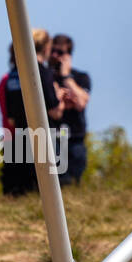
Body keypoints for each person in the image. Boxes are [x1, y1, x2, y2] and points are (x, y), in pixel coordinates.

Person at [0, 30, 64, 196]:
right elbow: (54, 111)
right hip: (43, 137)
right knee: (49, 192)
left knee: (21, 191)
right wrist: (59, 97)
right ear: (45, 48)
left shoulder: (14, 75)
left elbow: (11, 118)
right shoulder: (42, 72)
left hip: (19, 137)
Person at [49, 34, 90, 186]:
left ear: (68, 56)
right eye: (52, 51)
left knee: (74, 185)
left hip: (75, 139)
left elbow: (81, 102)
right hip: (54, 140)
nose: (54, 56)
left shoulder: (80, 77)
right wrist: (62, 98)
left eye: (60, 53)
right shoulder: (46, 77)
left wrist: (66, 77)